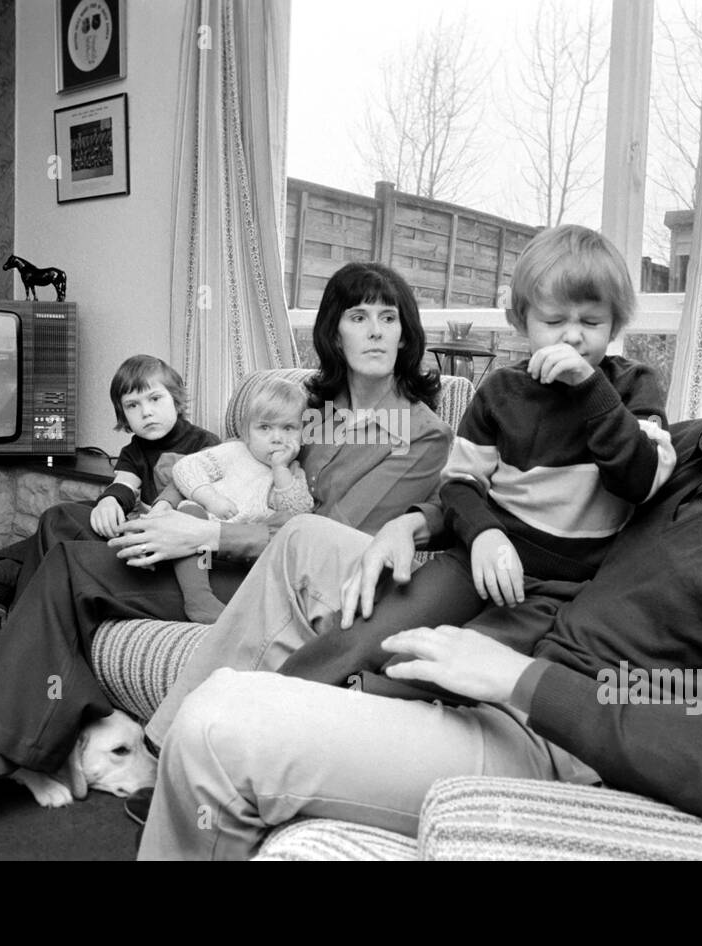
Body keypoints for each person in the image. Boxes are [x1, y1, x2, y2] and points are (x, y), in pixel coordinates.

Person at [135, 230, 702, 860]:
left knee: (225, 724)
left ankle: (196, 758)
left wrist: (523, 680)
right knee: (307, 539)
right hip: (508, 622)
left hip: (558, 736)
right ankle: (157, 753)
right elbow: (526, 485)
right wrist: (416, 523)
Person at [0, 261, 453, 848]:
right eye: (358, 315)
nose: (375, 330)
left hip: (273, 585)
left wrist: (201, 537)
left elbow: (324, 541)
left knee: (67, 563)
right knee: (66, 528)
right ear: (335, 329)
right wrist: (173, 509)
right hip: (222, 545)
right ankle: (4, 699)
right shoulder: (308, 407)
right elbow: (233, 469)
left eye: (388, 317)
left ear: (406, 333)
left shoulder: (420, 433)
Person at [275, 225, 676, 698]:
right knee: (361, 635)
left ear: (615, 323)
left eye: (591, 322)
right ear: (522, 320)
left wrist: (592, 390)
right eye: (553, 321)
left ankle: (360, 704)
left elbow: (639, 480)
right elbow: (460, 483)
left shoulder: (632, 388)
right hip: (475, 557)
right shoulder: (500, 393)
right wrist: (485, 533)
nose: (572, 336)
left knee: (433, 668)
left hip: (563, 590)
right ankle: (261, 706)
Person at [0, 354, 219, 622]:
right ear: (123, 415)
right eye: (133, 405)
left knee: (62, 527)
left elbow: (208, 505)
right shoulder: (133, 451)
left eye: (155, 399)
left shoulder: (205, 444)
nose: (146, 412)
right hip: (137, 531)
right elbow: (125, 484)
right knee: (59, 516)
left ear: (176, 399)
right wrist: (110, 500)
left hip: (173, 551)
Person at [164, 377, 313, 622]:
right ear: (246, 432)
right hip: (199, 535)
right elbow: (185, 468)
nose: (277, 438)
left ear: (303, 435)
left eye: (288, 428)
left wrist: (280, 469)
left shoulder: (291, 472)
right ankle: (199, 599)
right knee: (191, 514)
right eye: (265, 427)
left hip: (238, 552)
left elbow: (297, 512)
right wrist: (210, 498)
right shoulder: (234, 452)